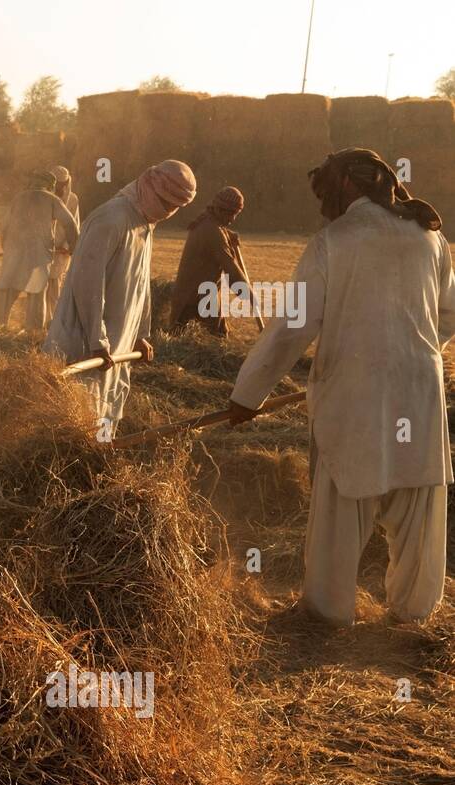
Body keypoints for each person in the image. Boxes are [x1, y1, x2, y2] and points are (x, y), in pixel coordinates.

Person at [229, 147, 455, 627]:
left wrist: (247, 396)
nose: (323, 202)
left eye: (326, 190)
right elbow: (449, 312)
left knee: (342, 503)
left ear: (349, 186)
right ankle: (414, 612)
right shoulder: (430, 239)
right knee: (416, 497)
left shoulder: (334, 240)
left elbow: (293, 327)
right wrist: (407, 350)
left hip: (354, 392)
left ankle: (329, 614)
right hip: (419, 386)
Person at [43, 160, 196, 436]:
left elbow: (139, 284)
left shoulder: (143, 223)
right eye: (164, 202)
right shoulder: (111, 219)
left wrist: (141, 333)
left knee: (104, 411)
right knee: (73, 418)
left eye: (175, 207)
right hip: (85, 341)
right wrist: (97, 339)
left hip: (117, 343)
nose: (167, 211)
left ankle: (99, 460)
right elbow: (88, 283)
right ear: (148, 185)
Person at [0, 168, 79, 332]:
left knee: (6, 292)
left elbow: (3, 227)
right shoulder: (52, 200)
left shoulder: (18, 198)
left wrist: (7, 248)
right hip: (38, 256)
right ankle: (32, 334)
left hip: (14, 254)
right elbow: (70, 224)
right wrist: (74, 247)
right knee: (36, 295)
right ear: (51, 185)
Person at [169, 186, 248, 336]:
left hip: (197, 296)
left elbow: (216, 233)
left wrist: (228, 234)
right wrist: (248, 294)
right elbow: (230, 268)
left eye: (236, 214)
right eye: (231, 214)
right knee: (207, 343)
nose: (232, 219)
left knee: (217, 337)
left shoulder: (207, 222)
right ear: (219, 210)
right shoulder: (213, 232)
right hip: (194, 301)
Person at [45, 165, 81, 320]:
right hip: (45, 247)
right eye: (57, 183)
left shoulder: (72, 199)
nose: (60, 186)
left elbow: (74, 224)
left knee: (55, 285)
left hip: (61, 251)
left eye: (63, 183)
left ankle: (54, 321)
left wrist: (66, 246)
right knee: (40, 286)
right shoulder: (44, 196)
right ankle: (41, 321)